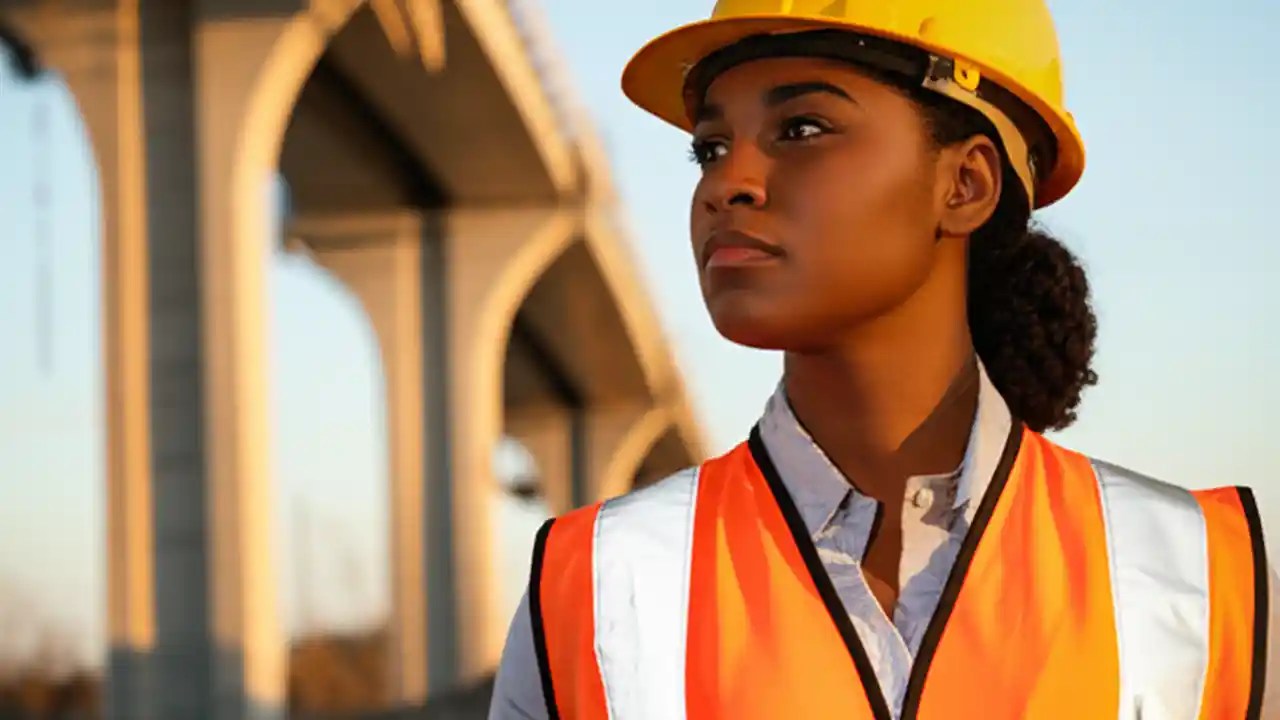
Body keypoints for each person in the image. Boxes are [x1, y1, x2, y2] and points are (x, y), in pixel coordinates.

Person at [489, 1, 1277, 718]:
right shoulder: (592, 588)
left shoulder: (1205, 584)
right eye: (710, 149)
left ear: (965, 183)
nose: (726, 183)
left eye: (801, 130)